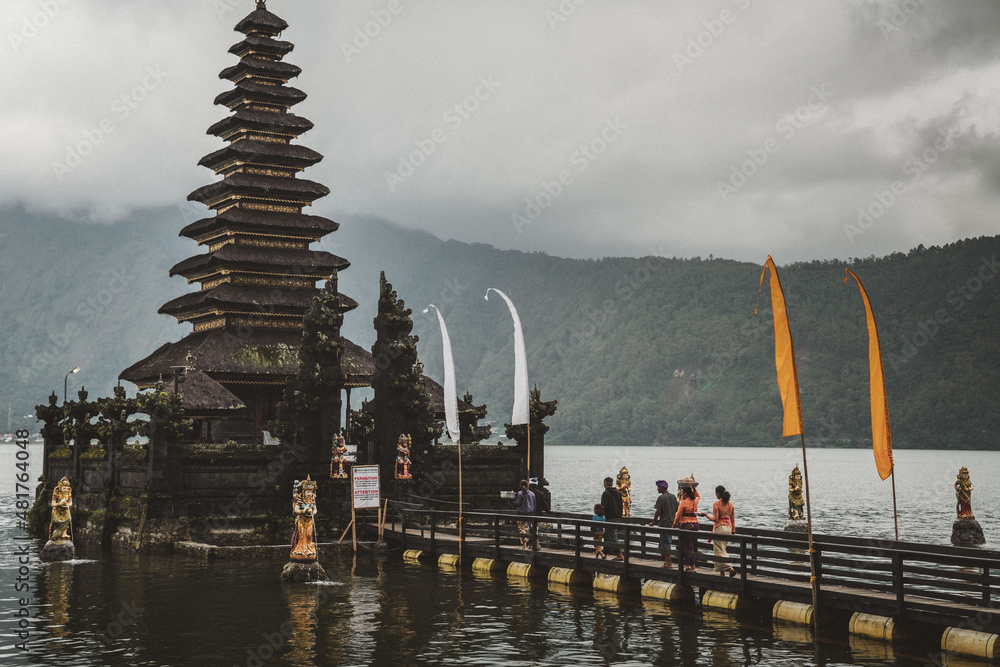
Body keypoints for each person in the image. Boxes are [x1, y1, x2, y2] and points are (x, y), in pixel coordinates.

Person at [700, 485, 737, 576]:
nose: (715, 495)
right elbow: (732, 519)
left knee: (718, 551)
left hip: (719, 528)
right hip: (728, 528)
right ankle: (722, 574)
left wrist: (705, 515)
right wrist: (733, 532)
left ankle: (730, 567)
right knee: (722, 549)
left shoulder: (716, 504)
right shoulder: (730, 505)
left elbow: (715, 519)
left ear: (718, 494)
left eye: (716, 493)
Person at [649, 480, 678, 569]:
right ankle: (667, 562)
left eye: (658, 487)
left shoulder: (661, 498)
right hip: (672, 522)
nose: (657, 489)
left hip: (664, 523)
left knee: (665, 543)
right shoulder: (673, 497)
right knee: (667, 541)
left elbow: (658, 511)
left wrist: (653, 521)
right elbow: (677, 509)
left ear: (662, 488)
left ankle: (669, 563)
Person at [673, 485, 700, 571]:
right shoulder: (695, 501)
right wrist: (694, 488)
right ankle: (689, 565)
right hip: (695, 524)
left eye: (682, 493)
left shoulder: (683, 502)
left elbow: (678, 515)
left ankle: (691, 566)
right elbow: (698, 496)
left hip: (686, 524)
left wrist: (674, 524)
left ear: (685, 493)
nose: (682, 495)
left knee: (687, 545)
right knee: (690, 544)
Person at [601, 476, 624, 560]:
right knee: (607, 535)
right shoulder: (618, 493)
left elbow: (604, 506)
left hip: (609, 517)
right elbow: (621, 506)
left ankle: (620, 554)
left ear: (605, 484)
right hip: (617, 517)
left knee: (612, 535)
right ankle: (605, 554)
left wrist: (600, 513)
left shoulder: (606, 493)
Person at [514, 479, 536, 549]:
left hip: (521, 513)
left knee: (521, 529)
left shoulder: (520, 493)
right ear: (527, 485)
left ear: (522, 486)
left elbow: (518, 503)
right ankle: (530, 544)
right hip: (530, 513)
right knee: (528, 529)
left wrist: (511, 501)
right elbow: (534, 505)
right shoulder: (532, 494)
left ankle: (524, 545)